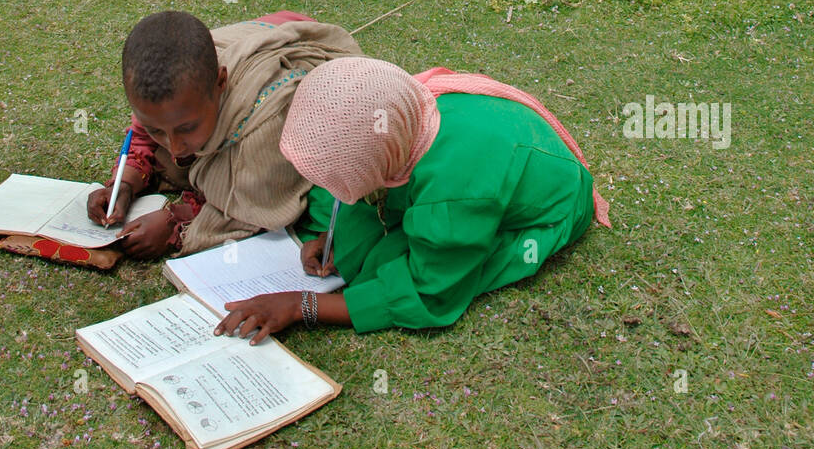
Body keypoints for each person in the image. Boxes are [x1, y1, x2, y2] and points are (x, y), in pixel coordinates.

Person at [213, 58, 610, 344]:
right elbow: (349, 185)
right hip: (472, 165)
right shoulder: (399, 112)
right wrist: (326, 231)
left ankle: (493, 239)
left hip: (546, 209)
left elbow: (426, 289)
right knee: (353, 249)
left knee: (401, 270)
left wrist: (302, 306)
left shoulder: (456, 191)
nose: (335, 194)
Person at [86, 10, 362, 258]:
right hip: (254, 34)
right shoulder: (171, 88)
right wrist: (124, 184)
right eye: (157, 130)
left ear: (221, 83)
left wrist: (176, 222)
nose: (175, 147)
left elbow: (251, 206)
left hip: (292, 40)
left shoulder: (268, 117)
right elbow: (142, 135)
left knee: (320, 205)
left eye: (186, 128)